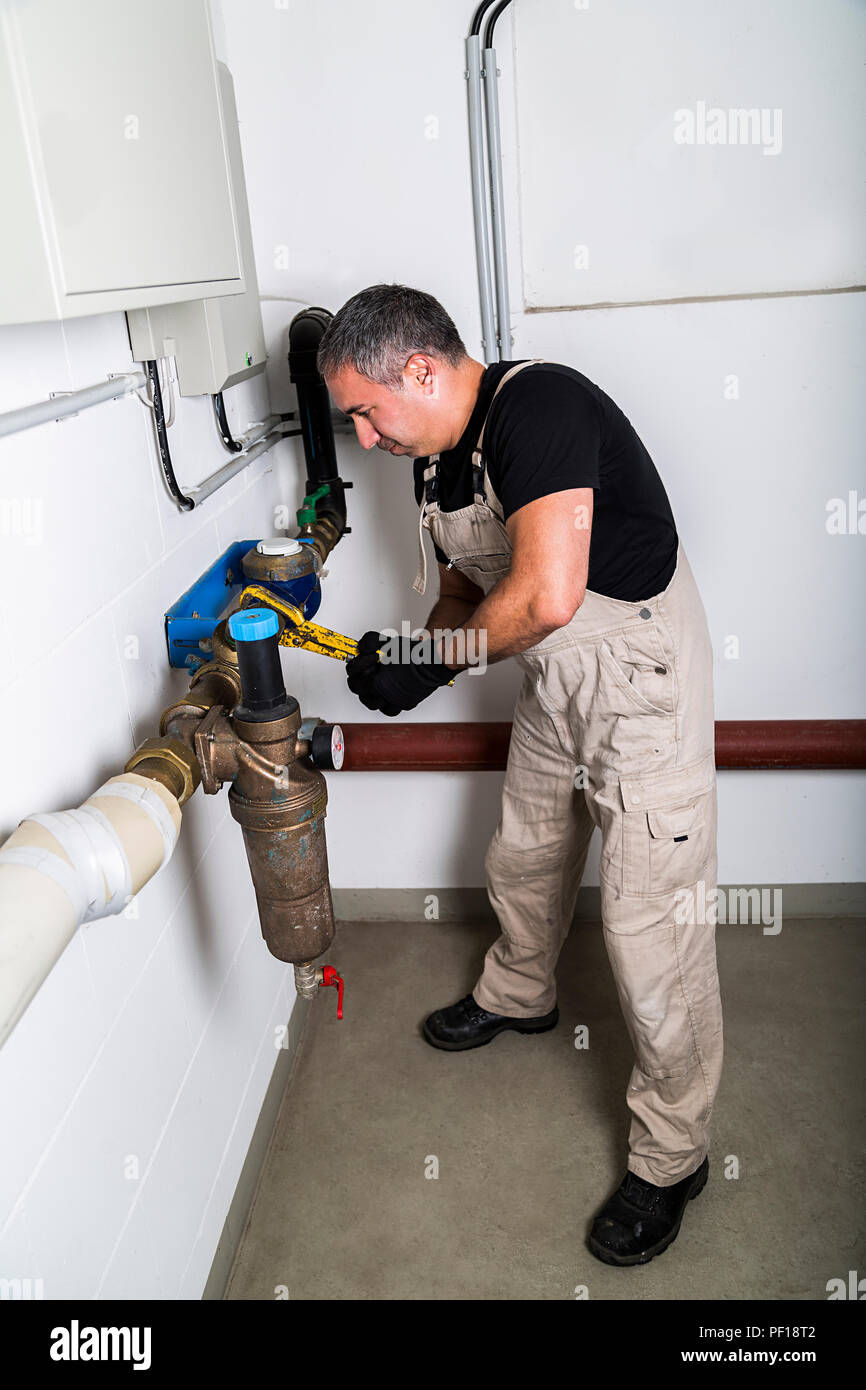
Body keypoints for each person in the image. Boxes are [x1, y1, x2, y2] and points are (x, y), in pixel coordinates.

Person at [317, 283, 723, 1267]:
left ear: (421, 369)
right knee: (526, 849)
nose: (362, 438)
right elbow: (468, 579)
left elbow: (543, 589)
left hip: (633, 667)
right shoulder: (433, 456)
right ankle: (516, 992)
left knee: (643, 924)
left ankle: (672, 1153)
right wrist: (416, 652)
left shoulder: (535, 408)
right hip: (552, 668)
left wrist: (428, 663)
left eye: (365, 411)